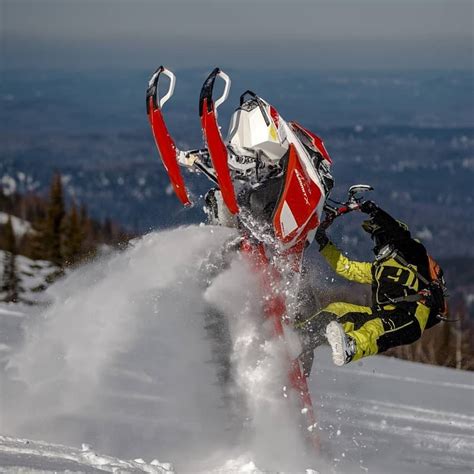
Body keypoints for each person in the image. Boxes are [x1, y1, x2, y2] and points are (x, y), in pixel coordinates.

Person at [296, 201, 444, 373]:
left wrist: (374, 211)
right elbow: (346, 268)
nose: (377, 244)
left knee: (375, 327)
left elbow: (400, 235)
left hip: (409, 315)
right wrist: (324, 242)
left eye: (380, 238)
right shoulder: (378, 268)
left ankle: (351, 347)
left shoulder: (414, 254)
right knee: (338, 309)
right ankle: (300, 336)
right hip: (382, 312)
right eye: (376, 239)